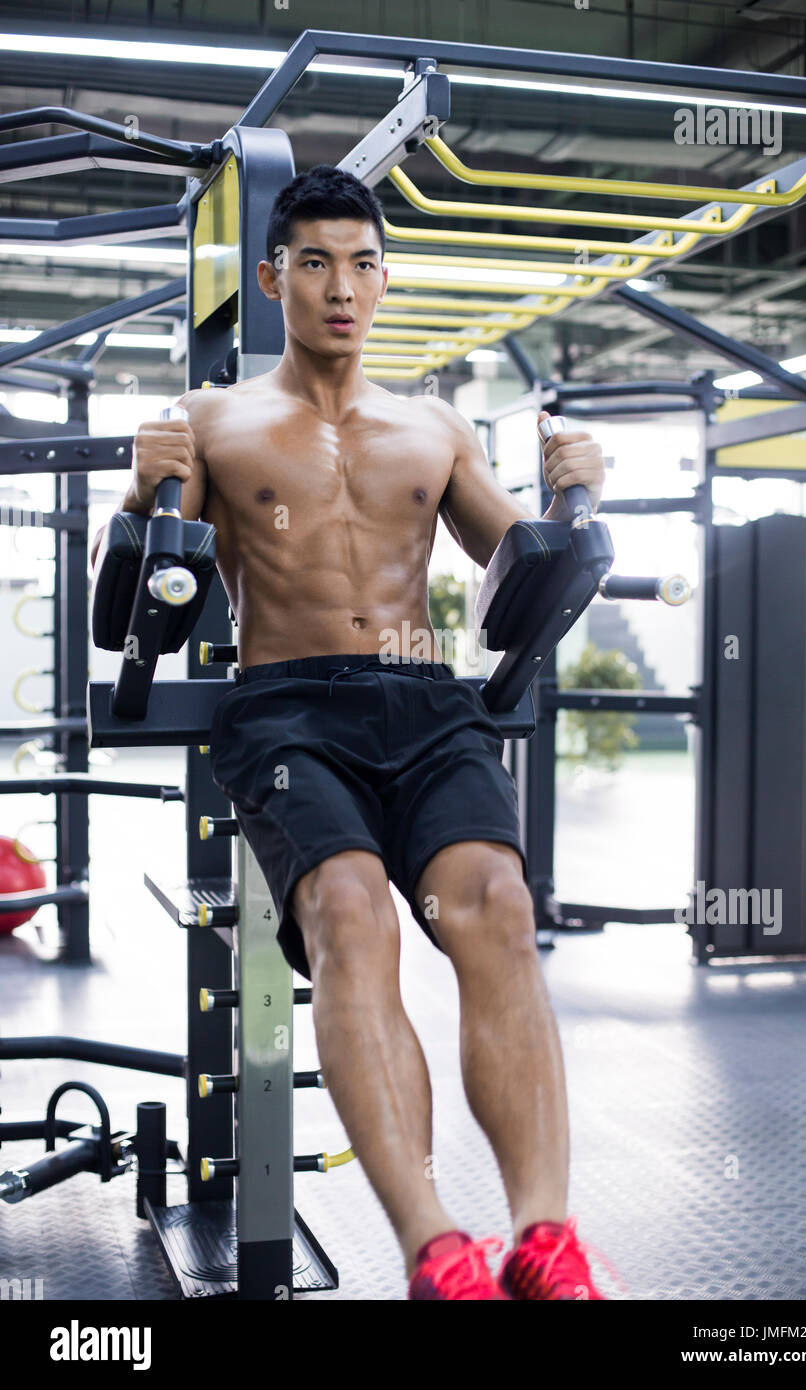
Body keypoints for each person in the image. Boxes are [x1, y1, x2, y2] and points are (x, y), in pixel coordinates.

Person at [91, 166, 611, 1300]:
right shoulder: (212, 422)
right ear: (274, 277)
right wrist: (136, 504)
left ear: (384, 279)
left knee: (498, 907)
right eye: (316, 262)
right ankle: (436, 1249)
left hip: (420, 697)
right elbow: (126, 610)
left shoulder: (431, 426)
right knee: (346, 912)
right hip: (284, 706)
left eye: (364, 263)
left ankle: (543, 1240)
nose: (343, 287)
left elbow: (518, 577)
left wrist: (577, 500)